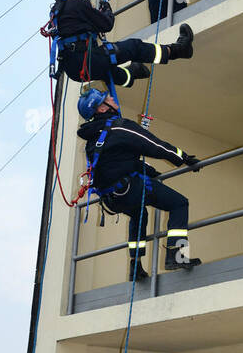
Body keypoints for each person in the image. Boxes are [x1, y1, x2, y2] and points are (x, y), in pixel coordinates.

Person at [77, 87, 203, 282]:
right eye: (106, 98)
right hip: (129, 189)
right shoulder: (119, 126)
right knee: (179, 203)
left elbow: (118, 162)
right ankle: (176, 254)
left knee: (139, 213)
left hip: (111, 198)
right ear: (101, 109)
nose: (111, 97)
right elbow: (153, 145)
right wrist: (184, 158)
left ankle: (135, 266)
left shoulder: (93, 139)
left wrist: (152, 173)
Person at [48, 0, 194, 90]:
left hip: (73, 68)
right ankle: (178, 50)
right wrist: (106, 11)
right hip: (86, 61)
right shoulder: (79, 2)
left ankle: (132, 74)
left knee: (109, 71)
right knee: (134, 47)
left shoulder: (56, 13)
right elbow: (106, 25)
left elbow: (77, 29)